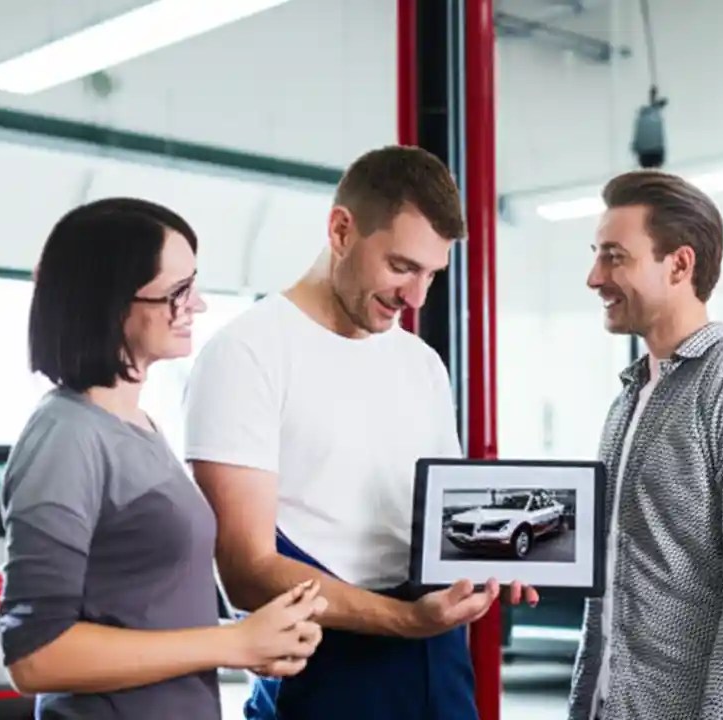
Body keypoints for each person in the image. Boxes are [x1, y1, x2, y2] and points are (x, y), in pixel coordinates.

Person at [182, 145, 539, 720]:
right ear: (342, 230)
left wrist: (501, 556)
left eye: (430, 274)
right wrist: (403, 621)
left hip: (439, 665)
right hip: (323, 671)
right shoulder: (247, 354)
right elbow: (247, 574)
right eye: (401, 267)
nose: (416, 297)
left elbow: (441, 529)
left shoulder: (422, 363)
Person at [0, 198, 328, 720]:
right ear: (111, 304)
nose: (195, 305)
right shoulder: (66, 438)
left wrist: (252, 641)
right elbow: (36, 656)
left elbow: (141, 617)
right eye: (177, 292)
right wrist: (232, 644)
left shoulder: (138, 426)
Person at [568, 170, 723, 720]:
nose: (594, 277)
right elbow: (614, 573)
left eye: (614, 257)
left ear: (678, 264)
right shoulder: (630, 396)